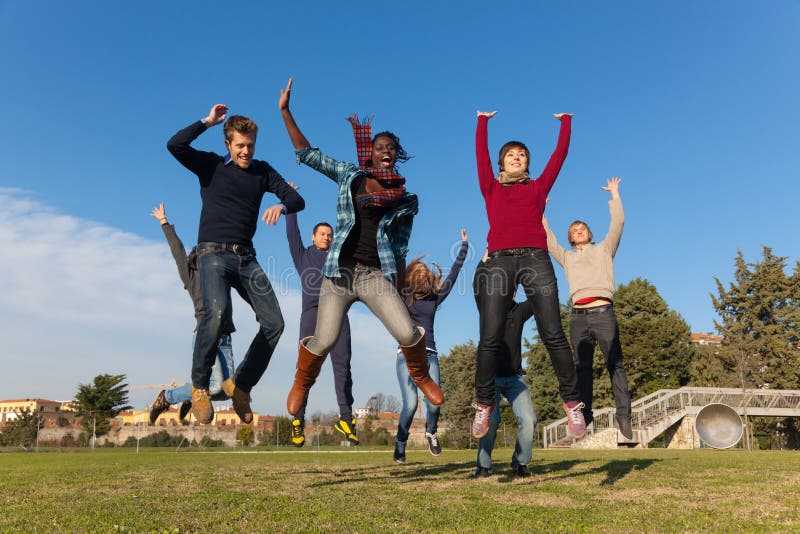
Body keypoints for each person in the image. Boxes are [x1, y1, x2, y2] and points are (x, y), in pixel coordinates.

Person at [278, 77, 443, 418]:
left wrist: (401, 294)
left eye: (391, 149)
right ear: (370, 151)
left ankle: (420, 374)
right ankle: (301, 382)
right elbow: (308, 155)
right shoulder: (350, 175)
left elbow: (399, 249)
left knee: (407, 331)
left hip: (372, 277)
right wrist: (286, 112)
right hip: (339, 275)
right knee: (322, 341)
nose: (386, 151)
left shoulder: (405, 200)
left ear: (397, 156)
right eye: (380, 147)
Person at [167, 104, 305, 424]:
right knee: (214, 313)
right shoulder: (211, 166)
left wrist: (282, 206)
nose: (246, 151)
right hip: (211, 254)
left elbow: (297, 200)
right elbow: (175, 145)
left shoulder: (263, 171)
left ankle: (241, 385)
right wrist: (207, 121)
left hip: (246, 259)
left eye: (250, 145)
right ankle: (200, 387)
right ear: (228, 144)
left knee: (275, 323)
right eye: (240, 145)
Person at [473, 109, 584, 440]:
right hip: (499, 261)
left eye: (521, 155)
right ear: (501, 163)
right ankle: (483, 404)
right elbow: (479, 154)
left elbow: (559, 155)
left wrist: (566, 122)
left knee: (553, 333)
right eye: (510, 155)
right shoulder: (490, 187)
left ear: (527, 163)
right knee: (491, 335)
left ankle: (572, 404)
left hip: (536, 258)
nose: (516, 158)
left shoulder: (537, 188)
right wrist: (483, 122)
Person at [543, 177, 632, 439]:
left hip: (604, 313)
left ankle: (624, 416)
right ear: (571, 237)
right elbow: (548, 242)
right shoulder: (567, 257)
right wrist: (541, 212)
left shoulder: (605, 249)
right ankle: (586, 415)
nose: (579, 230)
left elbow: (618, 224)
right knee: (581, 367)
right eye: (574, 229)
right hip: (578, 316)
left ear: (590, 234)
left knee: (614, 364)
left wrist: (615, 195)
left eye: (583, 228)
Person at [148, 202, 244, 424]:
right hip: (205, 332)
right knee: (216, 386)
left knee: (223, 391)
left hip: (225, 337)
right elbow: (177, 250)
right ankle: (168, 397)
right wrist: (164, 222)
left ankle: (192, 395)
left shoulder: (223, 273)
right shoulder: (191, 276)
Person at [393, 230, 469, 463]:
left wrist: (464, 248)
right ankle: (401, 441)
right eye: (421, 277)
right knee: (411, 403)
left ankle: (431, 431)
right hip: (405, 355)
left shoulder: (434, 298)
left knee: (435, 402)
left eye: (427, 278)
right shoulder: (402, 297)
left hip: (431, 355)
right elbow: (394, 272)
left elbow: (453, 276)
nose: (425, 281)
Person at [285, 201, 357, 446]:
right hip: (312, 314)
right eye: (322, 234)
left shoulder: (339, 258)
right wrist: (291, 204)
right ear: (313, 237)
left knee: (343, 366)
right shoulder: (303, 255)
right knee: (305, 369)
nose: (326, 237)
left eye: (329, 235)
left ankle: (346, 418)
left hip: (337, 313)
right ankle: (297, 420)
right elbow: (291, 232)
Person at [473, 252, 538, 478]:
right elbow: (477, 285)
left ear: (513, 291)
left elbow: (537, 298)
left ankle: (520, 464)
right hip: (490, 379)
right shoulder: (485, 307)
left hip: (514, 379)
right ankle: (483, 466)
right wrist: (482, 264)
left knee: (529, 419)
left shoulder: (518, 312)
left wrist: (525, 271)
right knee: (491, 420)